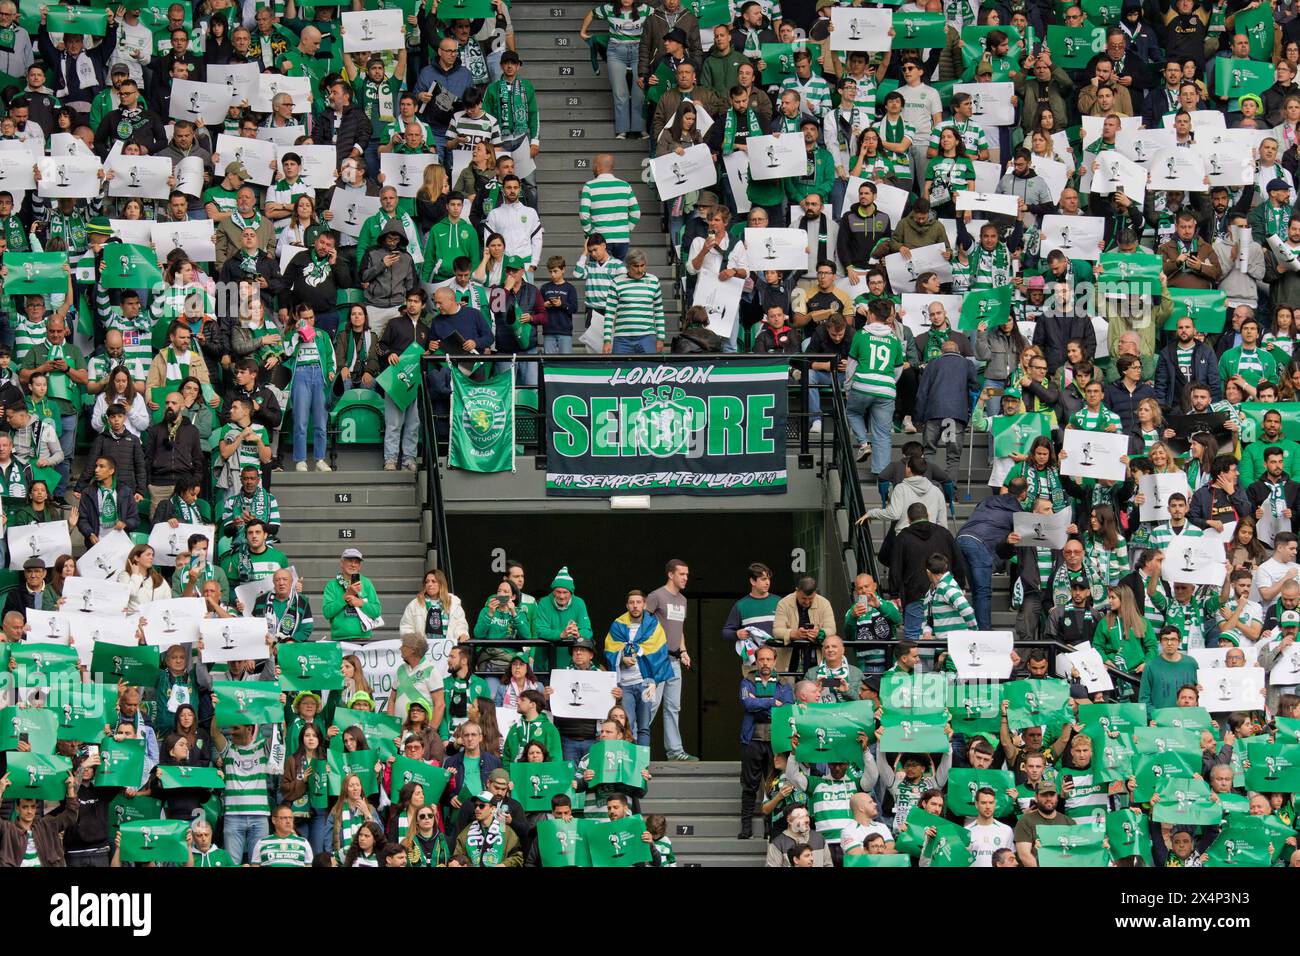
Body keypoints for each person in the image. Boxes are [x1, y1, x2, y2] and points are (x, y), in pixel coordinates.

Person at [603, 590, 671, 746]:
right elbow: (609, 650)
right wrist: (621, 658)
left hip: (644, 683)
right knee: (627, 724)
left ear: (644, 604)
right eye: (632, 603)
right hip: (625, 685)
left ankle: (642, 766)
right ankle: (627, 762)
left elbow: (660, 652)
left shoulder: (653, 625)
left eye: (638, 602)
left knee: (644, 727)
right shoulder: (618, 624)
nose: (635, 606)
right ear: (627, 605)